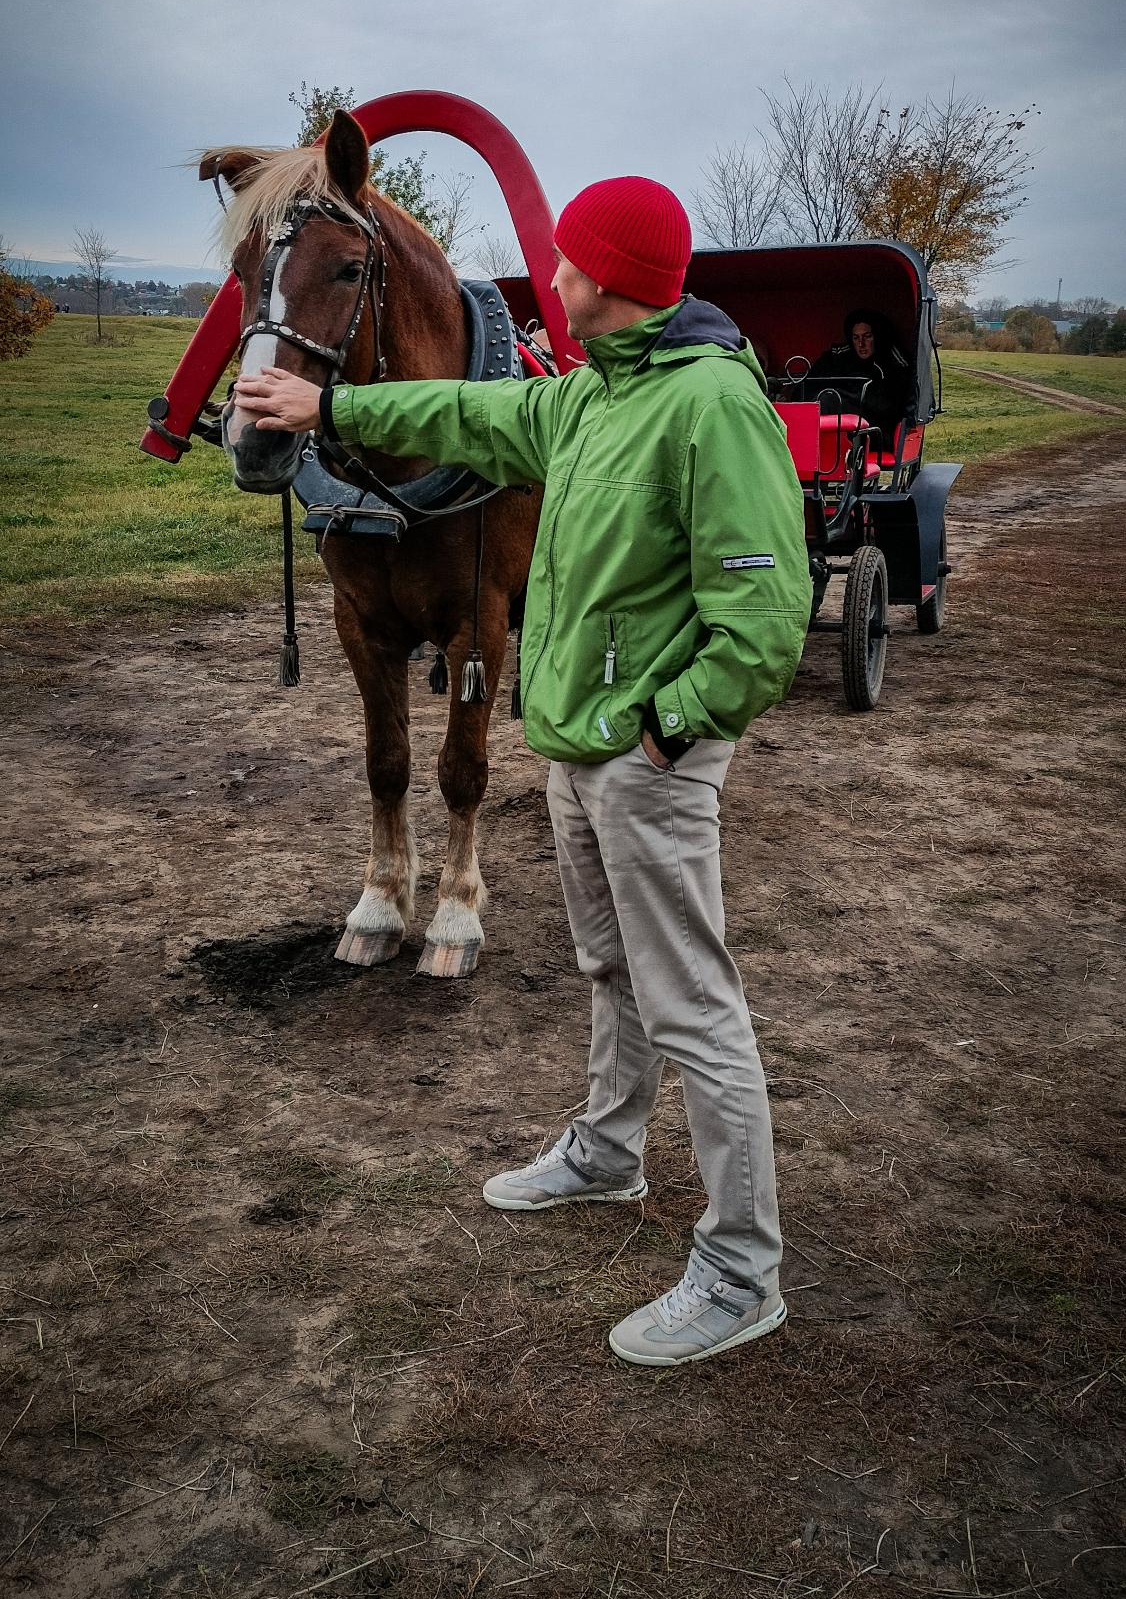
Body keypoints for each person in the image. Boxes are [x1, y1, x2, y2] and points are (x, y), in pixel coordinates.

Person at [235, 176, 810, 1367]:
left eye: (565, 261)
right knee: (607, 964)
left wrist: (667, 727)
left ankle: (741, 1267)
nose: (549, 273)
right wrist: (324, 405)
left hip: (646, 759)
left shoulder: (710, 404)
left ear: (602, 279)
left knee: (693, 1006)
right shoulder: (588, 396)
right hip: (576, 745)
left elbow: (765, 616)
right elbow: (459, 415)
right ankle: (606, 1150)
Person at [809, 307, 911, 448]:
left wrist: (842, 394)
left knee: (829, 399)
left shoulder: (892, 361)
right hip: (844, 426)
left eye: (867, 336)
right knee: (822, 399)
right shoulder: (838, 357)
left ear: (877, 335)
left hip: (877, 431)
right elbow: (809, 384)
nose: (861, 344)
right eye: (856, 338)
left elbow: (887, 406)